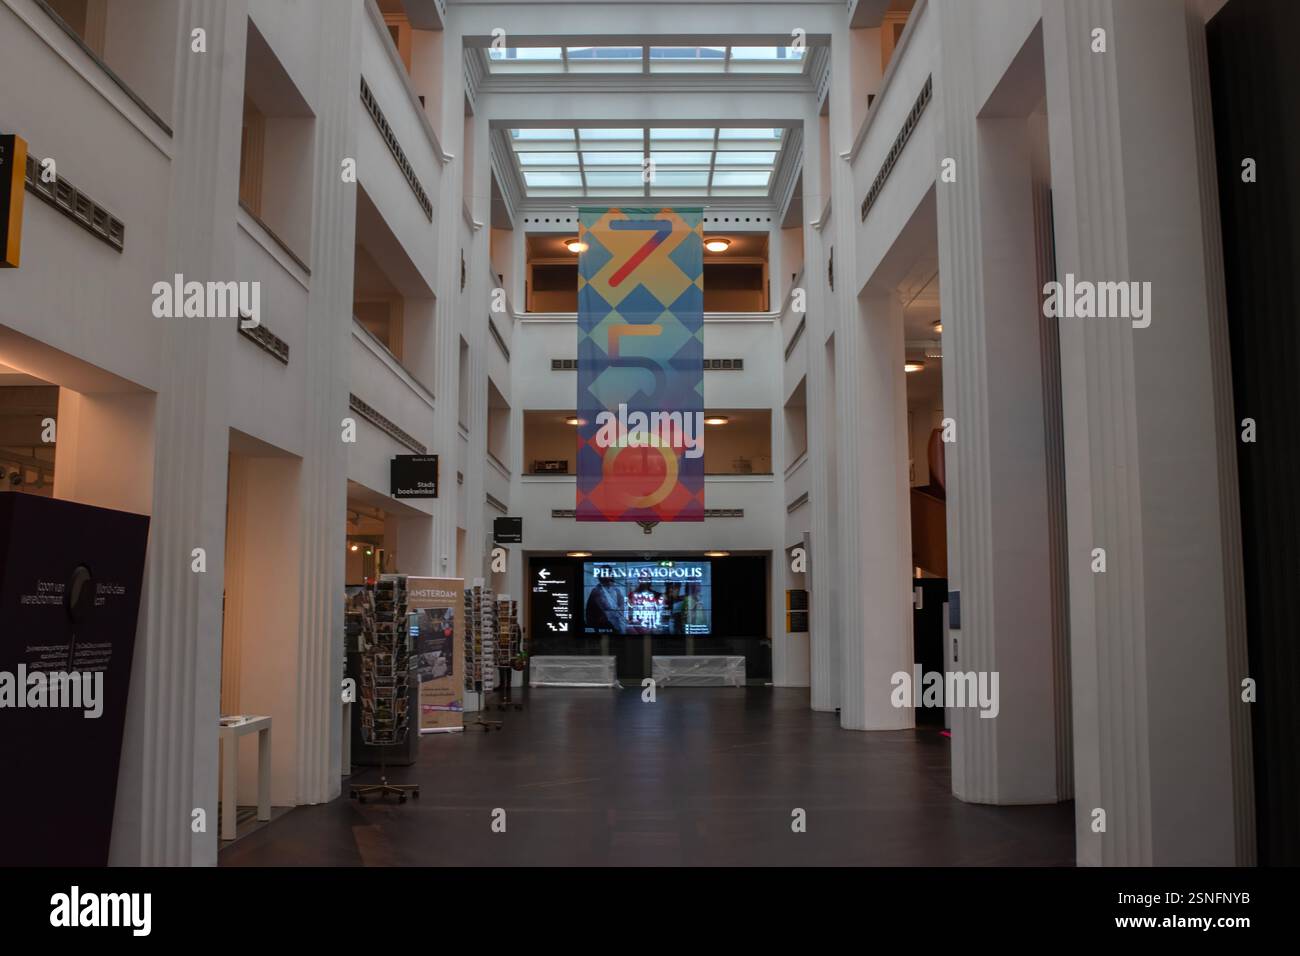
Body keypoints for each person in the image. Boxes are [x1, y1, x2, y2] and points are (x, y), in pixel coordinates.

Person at [585, 568, 627, 633]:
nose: (610, 581)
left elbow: (622, 605)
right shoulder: (597, 591)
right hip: (600, 625)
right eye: (607, 576)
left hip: (612, 624)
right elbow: (608, 609)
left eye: (611, 576)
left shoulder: (615, 590)